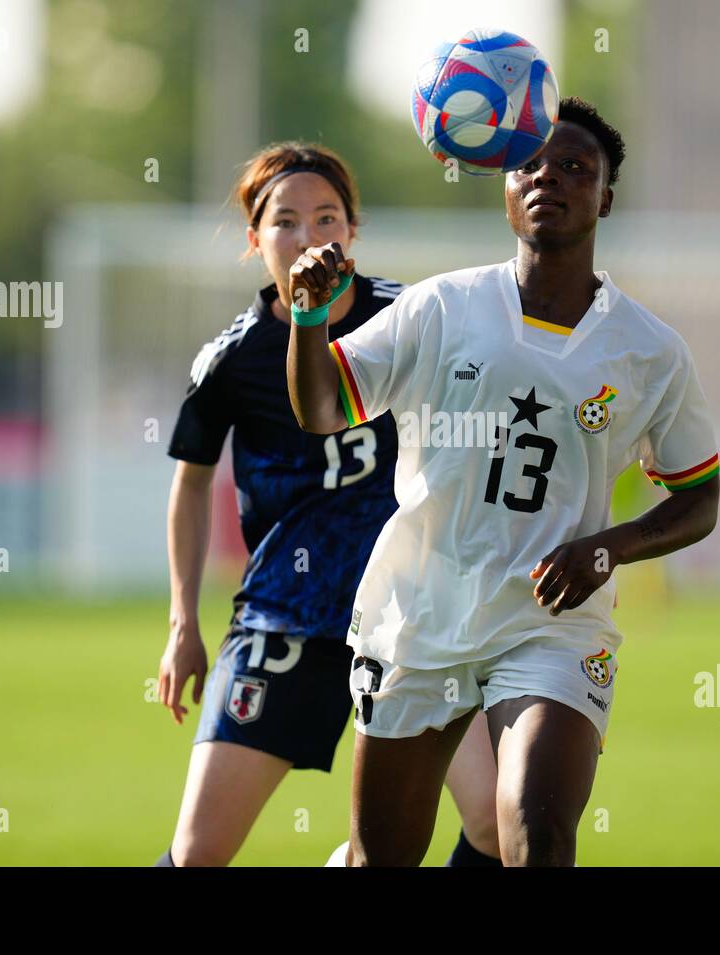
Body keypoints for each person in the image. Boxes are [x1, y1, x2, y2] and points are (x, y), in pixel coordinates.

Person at [286, 98, 720, 866]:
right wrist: (309, 319)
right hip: (421, 611)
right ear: (505, 187)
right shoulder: (441, 307)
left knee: (534, 825)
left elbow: (699, 497)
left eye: (575, 167)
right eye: (530, 164)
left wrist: (608, 550)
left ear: (606, 198)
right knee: (381, 854)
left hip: (550, 622)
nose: (548, 177)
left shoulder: (650, 351)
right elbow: (322, 408)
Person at [157, 142, 499, 867]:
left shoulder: (411, 320)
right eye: (285, 221)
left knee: (498, 825)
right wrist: (183, 621)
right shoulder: (233, 358)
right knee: (197, 855)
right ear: (255, 240)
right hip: (290, 616)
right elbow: (190, 484)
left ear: (353, 231)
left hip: (417, 613)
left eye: (327, 218)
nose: (309, 237)